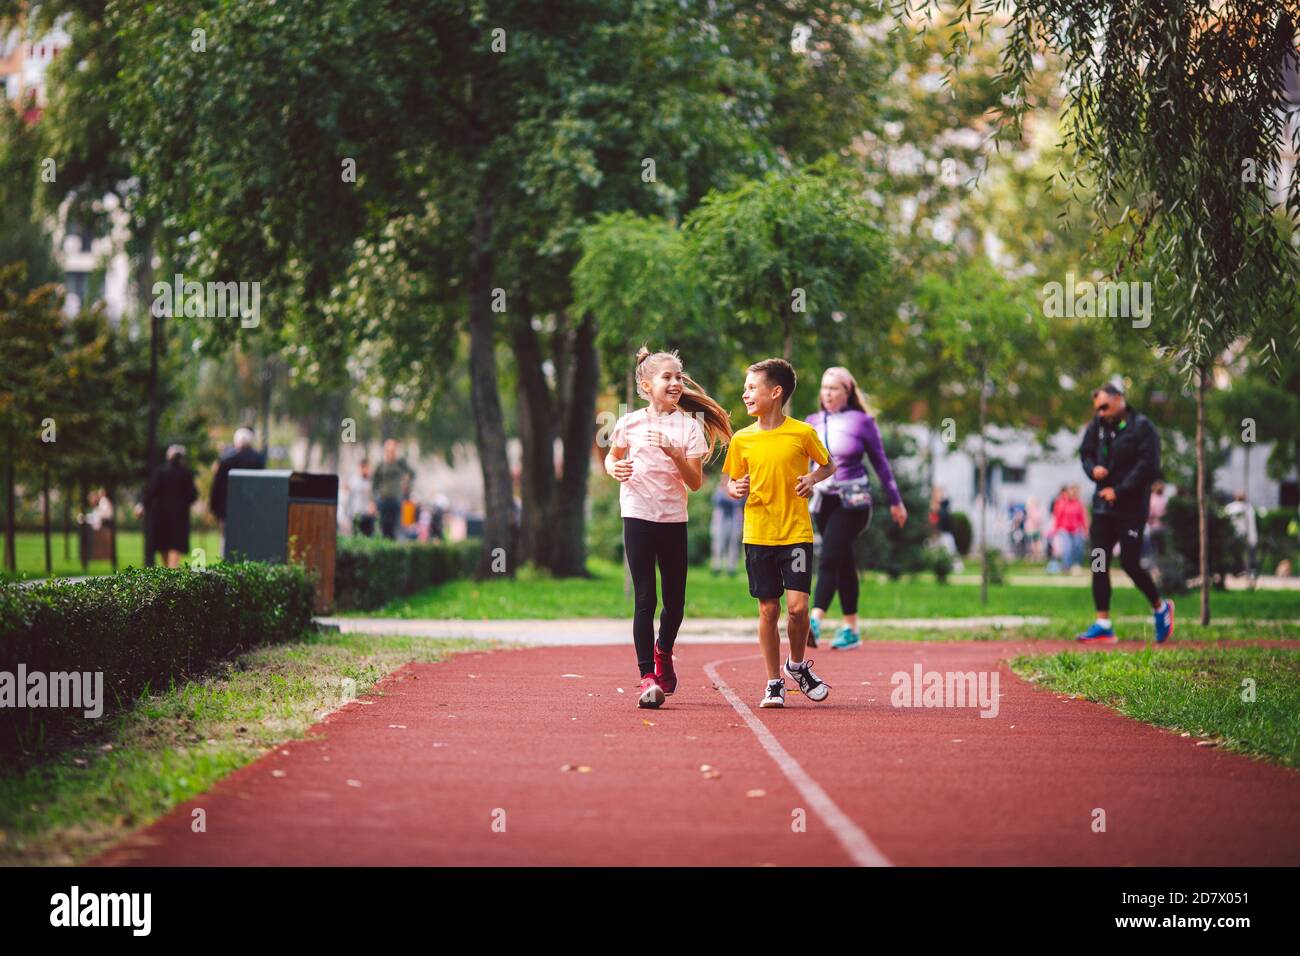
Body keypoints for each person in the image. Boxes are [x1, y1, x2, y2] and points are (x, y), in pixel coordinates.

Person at [605, 347, 732, 708]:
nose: (676, 383)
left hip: (673, 519)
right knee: (646, 597)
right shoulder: (628, 423)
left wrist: (675, 453)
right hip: (637, 514)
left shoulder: (689, 427)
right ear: (646, 385)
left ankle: (664, 650)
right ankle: (647, 676)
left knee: (674, 603)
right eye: (667, 377)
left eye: (678, 377)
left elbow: (694, 482)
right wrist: (615, 469)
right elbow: (613, 458)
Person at [722, 358, 836, 709]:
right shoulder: (742, 439)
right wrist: (735, 488)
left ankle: (797, 666)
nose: (745, 394)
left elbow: (828, 464)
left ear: (776, 392)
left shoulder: (802, 433)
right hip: (758, 534)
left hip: (796, 532)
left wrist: (812, 479)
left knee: (799, 609)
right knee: (769, 610)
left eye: (752, 387)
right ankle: (774, 682)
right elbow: (731, 482)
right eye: (745, 388)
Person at [805, 366, 906, 650]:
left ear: (847, 392)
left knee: (828, 557)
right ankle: (851, 627)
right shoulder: (812, 421)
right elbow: (803, 462)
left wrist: (896, 501)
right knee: (843, 560)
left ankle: (814, 620)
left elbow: (881, 464)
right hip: (823, 502)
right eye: (824, 388)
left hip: (854, 502)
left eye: (834, 388)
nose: (827, 393)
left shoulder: (862, 421)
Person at [1076, 383, 1174, 643]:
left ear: (1120, 400)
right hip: (1102, 509)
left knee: (1130, 564)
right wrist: (1092, 469)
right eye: (1097, 408)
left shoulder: (1142, 427)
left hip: (1130, 509)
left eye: (1105, 407)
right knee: (1099, 563)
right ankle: (1103, 623)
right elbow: (1085, 453)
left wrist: (1119, 490)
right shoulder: (1097, 427)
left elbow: (1149, 466)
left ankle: (1160, 607)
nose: (1101, 413)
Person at [142, 445, 198, 568]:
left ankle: (168, 569)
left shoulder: (160, 472)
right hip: (180, 515)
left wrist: (142, 505)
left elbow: (151, 491)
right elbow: (193, 495)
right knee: (175, 544)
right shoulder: (186, 474)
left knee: (164, 544)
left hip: (161, 514)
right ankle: (172, 568)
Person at [210, 427, 265, 535]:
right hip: (251, 508)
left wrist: (215, 508)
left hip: (227, 508)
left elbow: (217, 487)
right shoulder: (258, 461)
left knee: (227, 539)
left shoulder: (225, 460)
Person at [373, 439, 414, 540]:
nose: (391, 453)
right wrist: (372, 501)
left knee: (396, 529)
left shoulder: (401, 464)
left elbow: (412, 474)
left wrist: (407, 486)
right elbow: (374, 484)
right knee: (383, 528)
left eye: (393, 450)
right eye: (388, 450)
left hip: (397, 500)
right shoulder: (381, 465)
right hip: (383, 500)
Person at [710, 478, 745, 576]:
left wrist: (729, 499)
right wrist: (728, 498)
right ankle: (716, 566)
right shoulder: (719, 490)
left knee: (733, 543)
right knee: (718, 543)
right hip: (720, 520)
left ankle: (731, 567)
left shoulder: (737, 489)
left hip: (734, 519)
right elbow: (718, 501)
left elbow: (739, 502)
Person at [1225, 490, 1259, 583]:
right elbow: (1251, 525)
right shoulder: (1248, 508)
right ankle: (1249, 573)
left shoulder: (1229, 508)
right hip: (1246, 537)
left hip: (1234, 537)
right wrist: (1253, 538)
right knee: (1249, 556)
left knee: (1238, 556)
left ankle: (1237, 572)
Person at [349, 459, 377, 537]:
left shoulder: (370, 480)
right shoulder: (354, 480)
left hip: (368, 514)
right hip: (357, 513)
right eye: (365, 468)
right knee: (357, 536)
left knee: (369, 536)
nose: (367, 470)